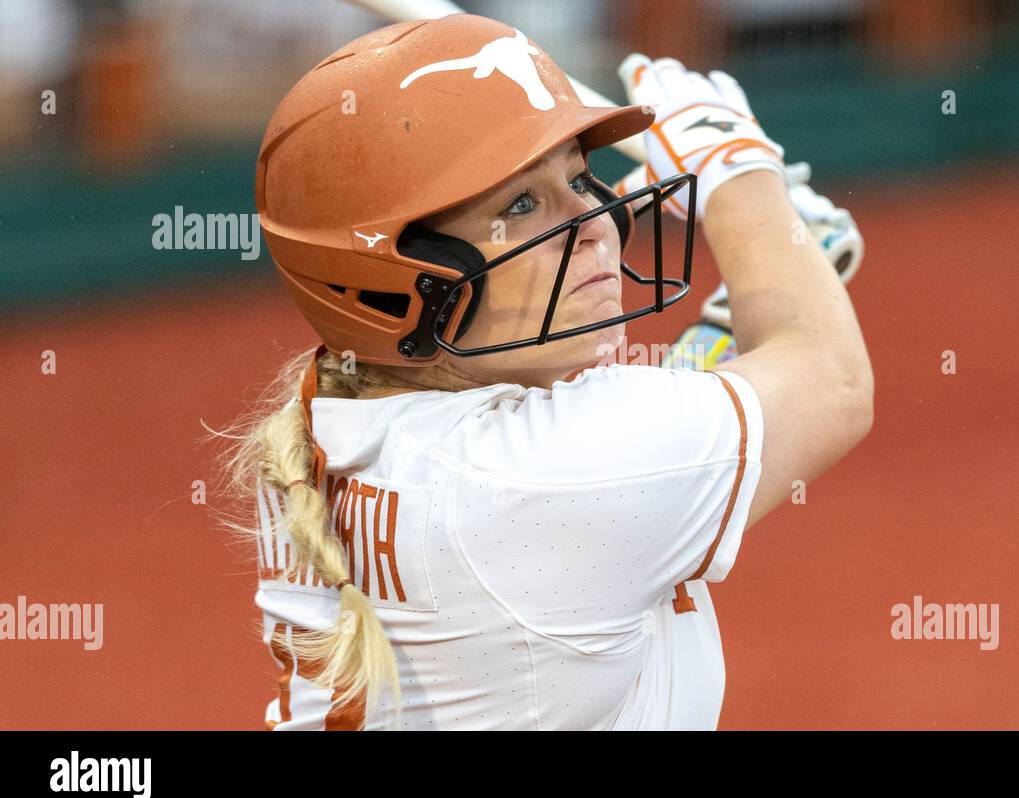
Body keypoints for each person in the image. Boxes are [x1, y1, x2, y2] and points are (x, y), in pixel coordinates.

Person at [216, 13, 873, 730]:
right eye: (521, 205)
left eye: (580, 177)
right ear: (397, 281)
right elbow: (829, 376)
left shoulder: (336, 420)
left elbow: (594, 472)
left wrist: (746, 300)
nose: (595, 220)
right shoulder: (536, 479)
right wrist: (737, 167)